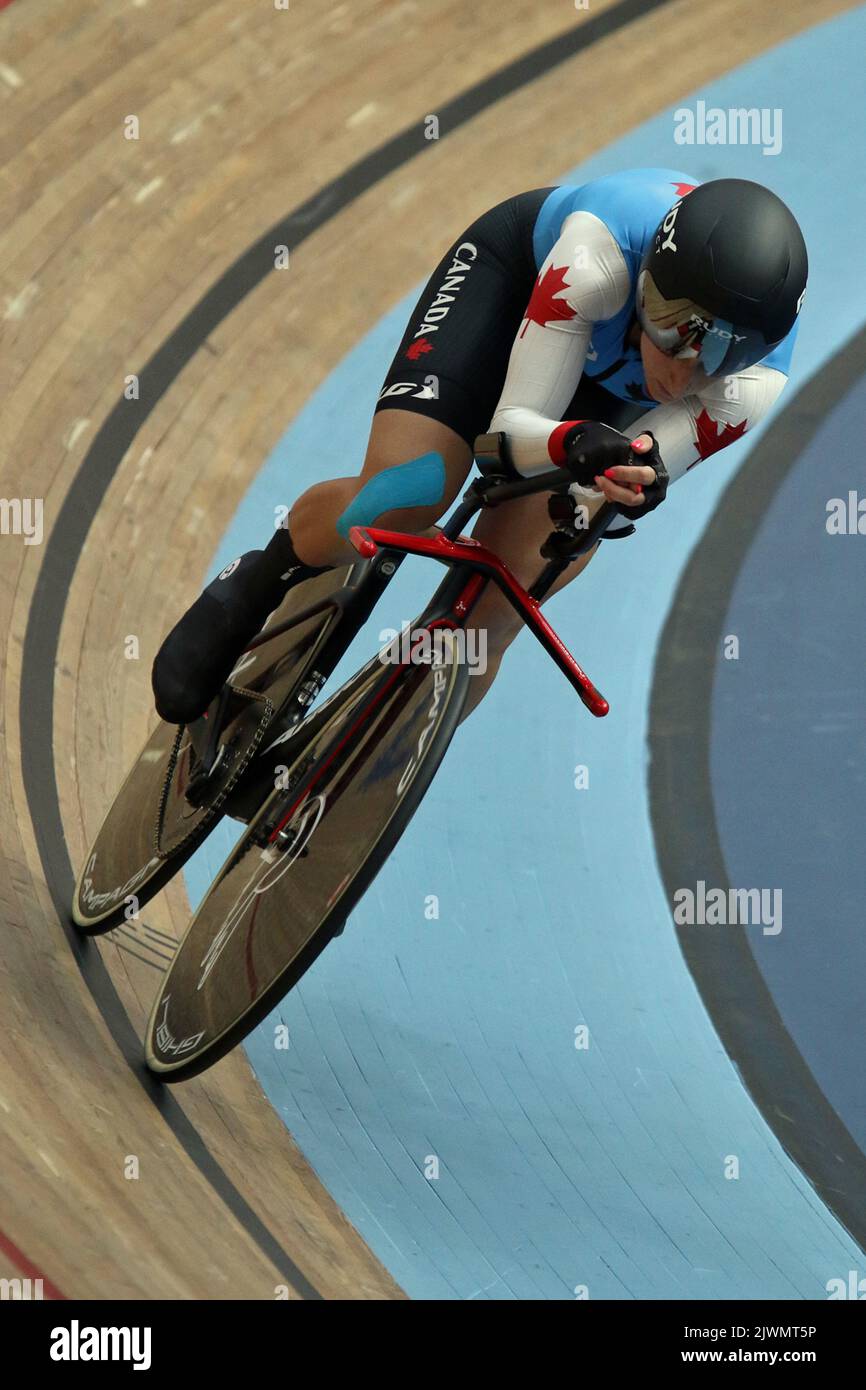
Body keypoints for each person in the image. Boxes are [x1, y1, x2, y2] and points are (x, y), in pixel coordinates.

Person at [152, 168, 808, 725]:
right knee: (405, 491)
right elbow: (503, 442)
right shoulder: (596, 259)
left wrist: (628, 482)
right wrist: (574, 440)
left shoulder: (752, 385)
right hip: (511, 288)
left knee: (512, 590)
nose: (684, 370)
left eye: (718, 355)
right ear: (646, 287)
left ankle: (366, 770)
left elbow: (637, 467)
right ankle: (262, 577)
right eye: (672, 332)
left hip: (604, 398)